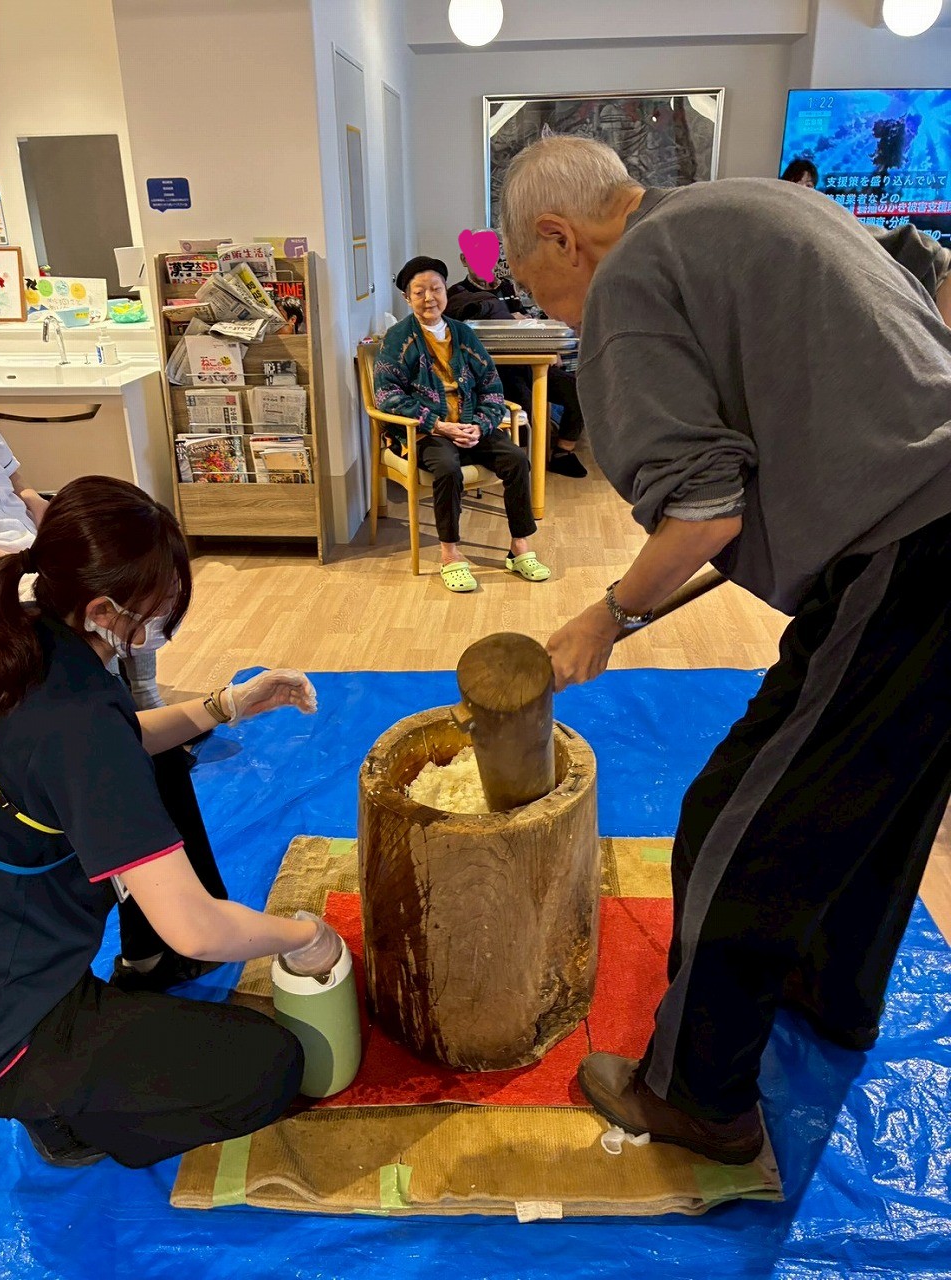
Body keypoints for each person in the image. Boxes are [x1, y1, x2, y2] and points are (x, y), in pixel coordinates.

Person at [500, 135, 951, 1166]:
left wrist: (606, 615)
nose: (562, 320)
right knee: (882, 795)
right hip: (934, 512)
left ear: (562, 237)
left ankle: (697, 1095)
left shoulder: (631, 278)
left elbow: (704, 510)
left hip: (911, 545)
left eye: (539, 289)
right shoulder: (749, 204)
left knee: (736, 822)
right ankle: (833, 992)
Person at [0, 476, 347, 1170]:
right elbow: (197, 925)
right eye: (160, 613)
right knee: (269, 1067)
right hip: (12, 1017)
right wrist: (308, 936)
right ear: (103, 610)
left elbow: (123, 741)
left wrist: (225, 706)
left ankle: (151, 966)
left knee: (162, 766)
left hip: (14, 928)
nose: (163, 626)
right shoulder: (79, 727)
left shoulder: (27, 635)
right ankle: (64, 1113)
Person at [374, 256, 550, 593]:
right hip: (427, 431)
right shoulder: (397, 339)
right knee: (447, 468)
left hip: (470, 426)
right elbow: (387, 396)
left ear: (446, 291)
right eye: (420, 292)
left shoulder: (464, 333)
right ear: (407, 298)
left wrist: (480, 426)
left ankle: (519, 548)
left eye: (436, 289)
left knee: (516, 459)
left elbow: (491, 387)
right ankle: (450, 555)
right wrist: (439, 425)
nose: (429, 298)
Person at [0, 419, 165, 711]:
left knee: (124, 574)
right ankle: (110, 695)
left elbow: (17, 482)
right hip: (5, 561)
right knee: (87, 602)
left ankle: (144, 689)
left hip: (30, 540)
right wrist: (11, 558)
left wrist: (40, 506)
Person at [446, 233, 588, 478]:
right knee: (527, 406)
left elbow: (527, 324)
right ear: (464, 259)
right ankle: (522, 463)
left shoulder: (507, 288)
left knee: (578, 390)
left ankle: (562, 452)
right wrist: (509, 318)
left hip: (527, 363)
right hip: (493, 371)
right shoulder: (458, 293)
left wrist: (549, 347)